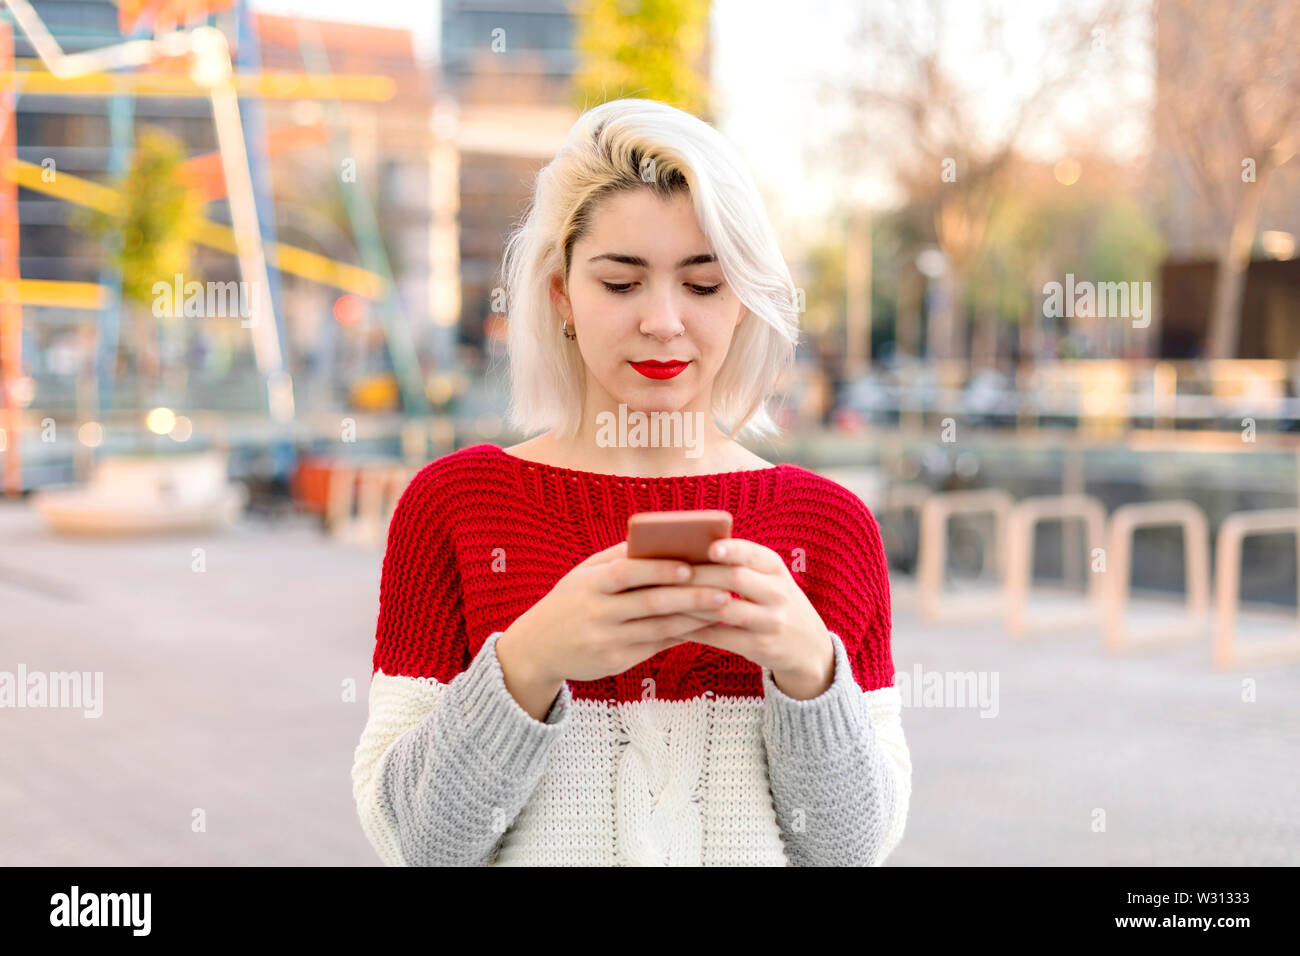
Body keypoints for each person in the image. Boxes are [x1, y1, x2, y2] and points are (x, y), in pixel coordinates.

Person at [350, 98, 911, 866]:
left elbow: (852, 851)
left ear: (743, 301)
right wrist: (529, 665)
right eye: (621, 283)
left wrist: (809, 669)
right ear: (562, 295)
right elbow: (416, 844)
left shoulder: (830, 526)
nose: (663, 321)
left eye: (704, 285)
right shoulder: (455, 507)